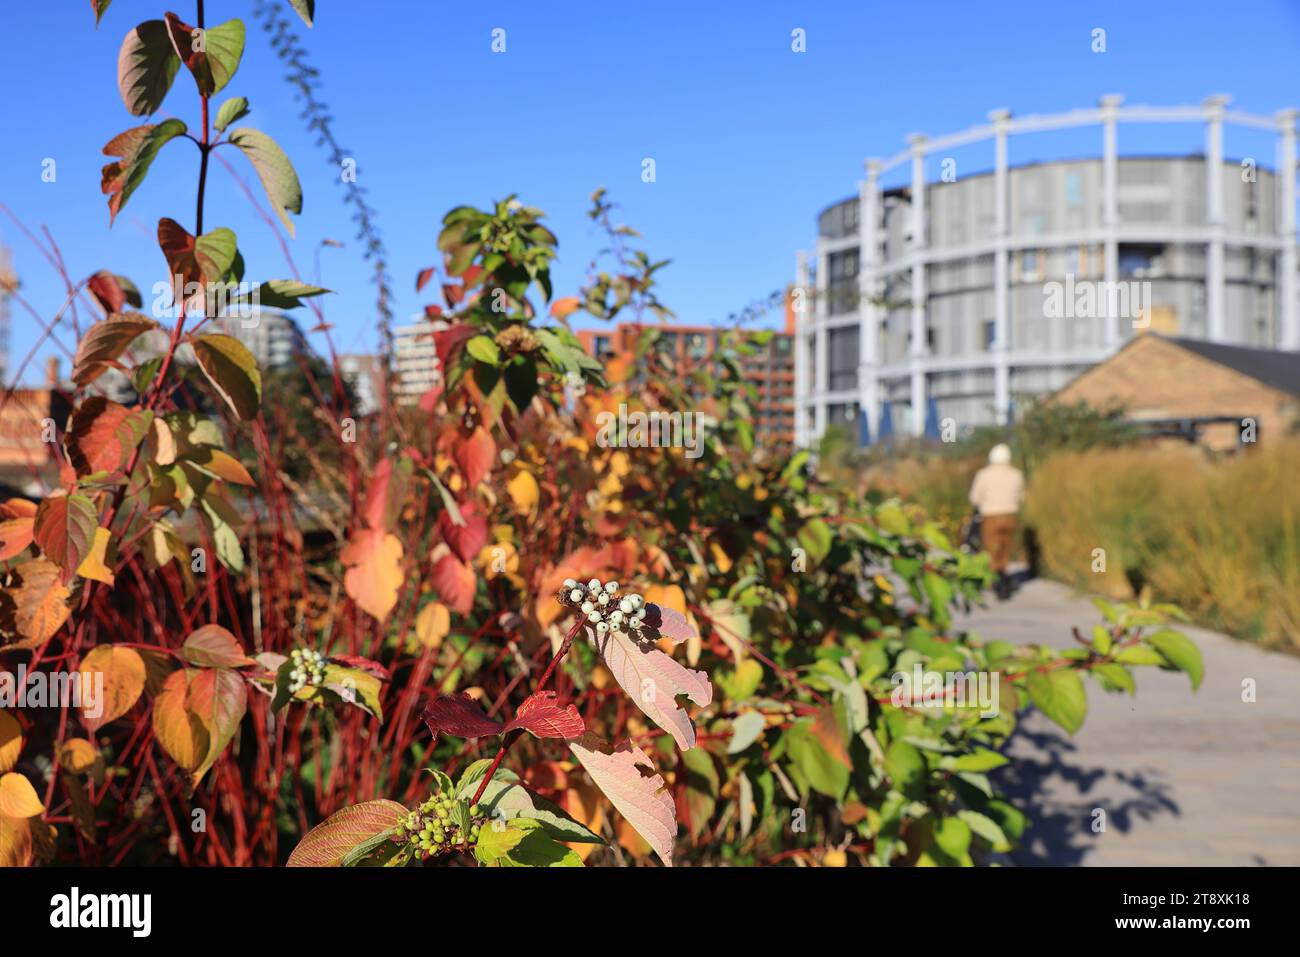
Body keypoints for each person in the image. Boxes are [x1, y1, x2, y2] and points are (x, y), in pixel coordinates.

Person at [968, 443, 1024, 600]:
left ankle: (996, 582)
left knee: (992, 551)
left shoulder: (984, 474)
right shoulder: (1016, 474)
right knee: (1005, 550)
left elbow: (974, 498)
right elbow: (1021, 496)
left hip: (991, 516)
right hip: (1010, 516)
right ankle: (1004, 576)